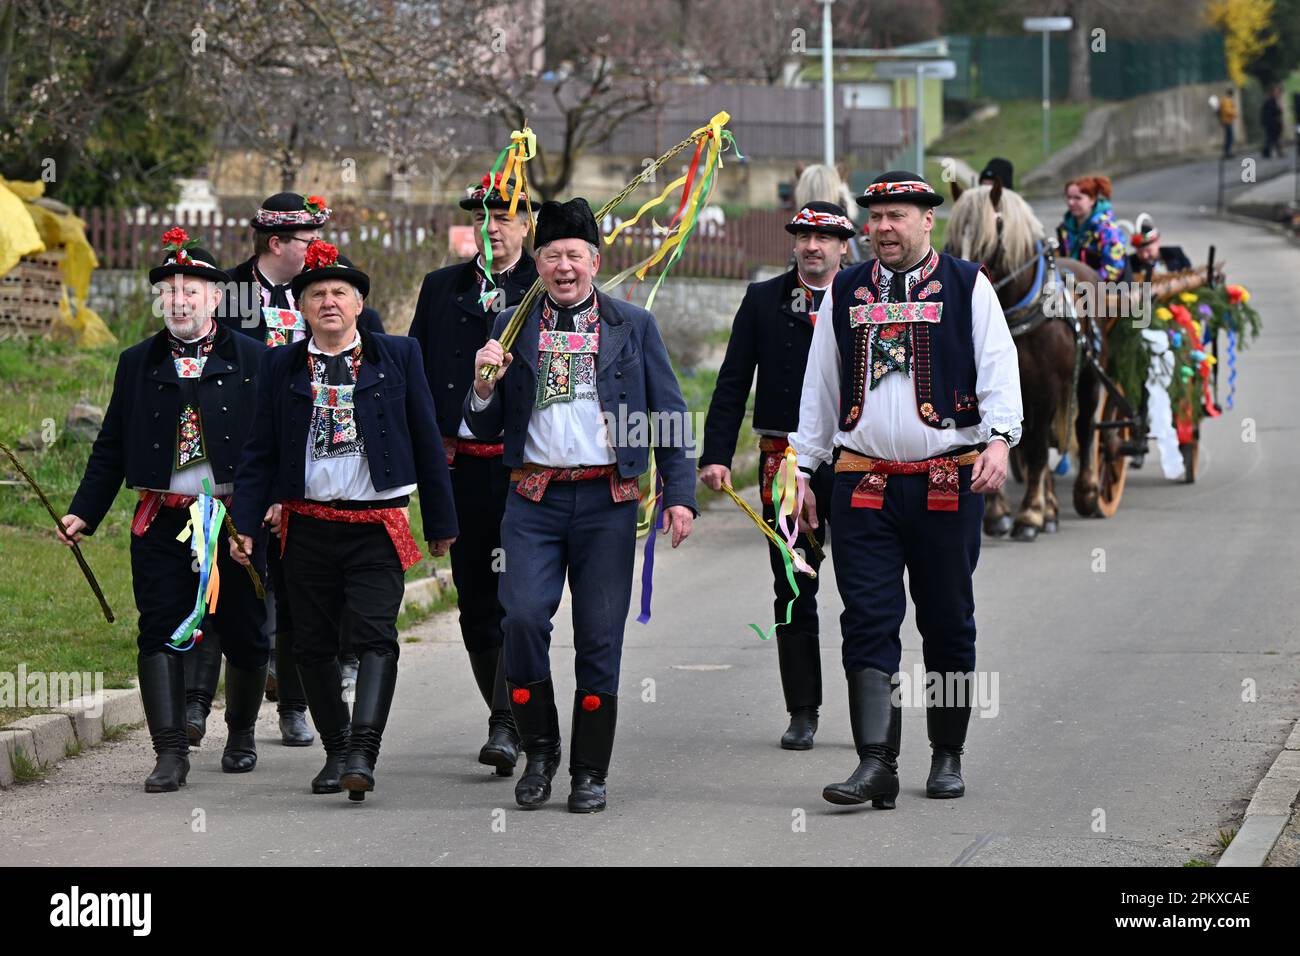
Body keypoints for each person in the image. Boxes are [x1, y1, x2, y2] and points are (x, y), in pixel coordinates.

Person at [788, 171, 1023, 810]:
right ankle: (876, 763)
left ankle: (947, 754)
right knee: (866, 617)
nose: (883, 228)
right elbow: (821, 385)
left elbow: (1000, 369)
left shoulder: (968, 286)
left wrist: (999, 438)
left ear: (927, 221)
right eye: (876, 217)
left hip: (947, 480)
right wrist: (803, 470)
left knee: (947, 619)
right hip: (861, 481)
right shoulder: (845, 289)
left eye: (896, 216)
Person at [465, 198, 697, 813]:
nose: (563, 267)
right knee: (518, 619)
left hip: (607, 502)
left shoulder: (631, 326)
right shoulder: (511, 324)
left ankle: (589, 772)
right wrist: (483, 382)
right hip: (533, 499)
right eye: (551, 256)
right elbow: (477, 418)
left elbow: (669, 413)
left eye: (574, 256)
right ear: (536, 262)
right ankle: (540, 752)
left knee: (599, 637)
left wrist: (680, 493)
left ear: (595, 261)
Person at [229, 242, 458, 801]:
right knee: (311, 644)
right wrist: (245, 526)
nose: (328, 302)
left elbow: (428, 440)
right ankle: (336, 750)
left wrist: (441, 520)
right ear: (302, 307)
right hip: (305, 527)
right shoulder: (282, 363)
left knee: (376, 635)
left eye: (339, 293)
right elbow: (258, 451)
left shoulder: (398, 355)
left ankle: (363, 751)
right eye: (316, 294)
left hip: (378, 526)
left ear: (359, 304)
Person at [59, 229, 271, 792]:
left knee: (246, 632)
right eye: (170, 291)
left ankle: (242, 733)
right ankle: (170, 752)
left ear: (216, 299)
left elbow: (272, 444)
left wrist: (260, 512)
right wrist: (84, 511)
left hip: (234, 522)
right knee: (158, 629)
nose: (180, 299)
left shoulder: (253, 359)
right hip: (162, 520)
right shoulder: (137, 361)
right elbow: (111, 445)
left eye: (191, 290)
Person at [219, 191, 381, 749]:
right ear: (275, 243)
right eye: (308, 242)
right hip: (245, 460)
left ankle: (294, 704)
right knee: (243, 585)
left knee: (297, 594)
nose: (317, 253)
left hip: (312, 472)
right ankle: (229, 705)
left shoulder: (337, 296)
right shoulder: (227, 293)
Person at [698, 200, 855, 751]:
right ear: (793, 243)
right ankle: (803, 710)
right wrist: (715, 454)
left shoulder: (864, 297)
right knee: (794, 585)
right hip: (785, 464)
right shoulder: (763, 300)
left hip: (858, 461)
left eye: (824, 238)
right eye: (803, 237)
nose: (812, 247)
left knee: (865, 588)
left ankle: (869, 714)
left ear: (844, 245)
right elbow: (732, 381)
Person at [408, 173, 540, 776]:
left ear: (527, 224)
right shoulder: (441, 289)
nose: (493, 228)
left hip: (523, 475)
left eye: (506, 217)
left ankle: (508, 722)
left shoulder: (546, 286)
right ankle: (503, 710)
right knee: (476, 604)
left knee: (520, 601)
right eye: (484, 218)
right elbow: (411, 384)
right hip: (459, 474)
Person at [1056, 175, 1130, 282]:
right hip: (1073, 286)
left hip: (1104, 289)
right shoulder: (1064, 229)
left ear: (1092, 200)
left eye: (1077, 198)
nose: (1071, 202)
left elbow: (1113, 268)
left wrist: (1084, 283)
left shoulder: (1106, 229)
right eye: (1068, 197)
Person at [1127, 213, 1193, 279]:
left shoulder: (1175, 253)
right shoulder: (1129, 262)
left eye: (1148, 250)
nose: (1145, 255)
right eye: (1140, 252)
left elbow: (1190, 274)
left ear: (1157, 242)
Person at [1262, 85, 1284, 159]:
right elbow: (1271, 112)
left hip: (1273, 123)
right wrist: (1279, 110)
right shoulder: (1271, 101)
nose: (1277, 93)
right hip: (1271, 123)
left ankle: (1275, 152)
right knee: (1272, 138)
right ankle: (1267, 152)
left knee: (1274, 138)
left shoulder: (1272, 100)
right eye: (1276, 91)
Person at [1218, 88, 1237, 159]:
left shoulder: (1225, 100)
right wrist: (1234, 113)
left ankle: (1227, 152)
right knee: (1230, 137)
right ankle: (1227, 152)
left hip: (1227, 121)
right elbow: (1227, 110)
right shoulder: (1226, 100)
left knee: (1228, 137)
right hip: (1227, 121)